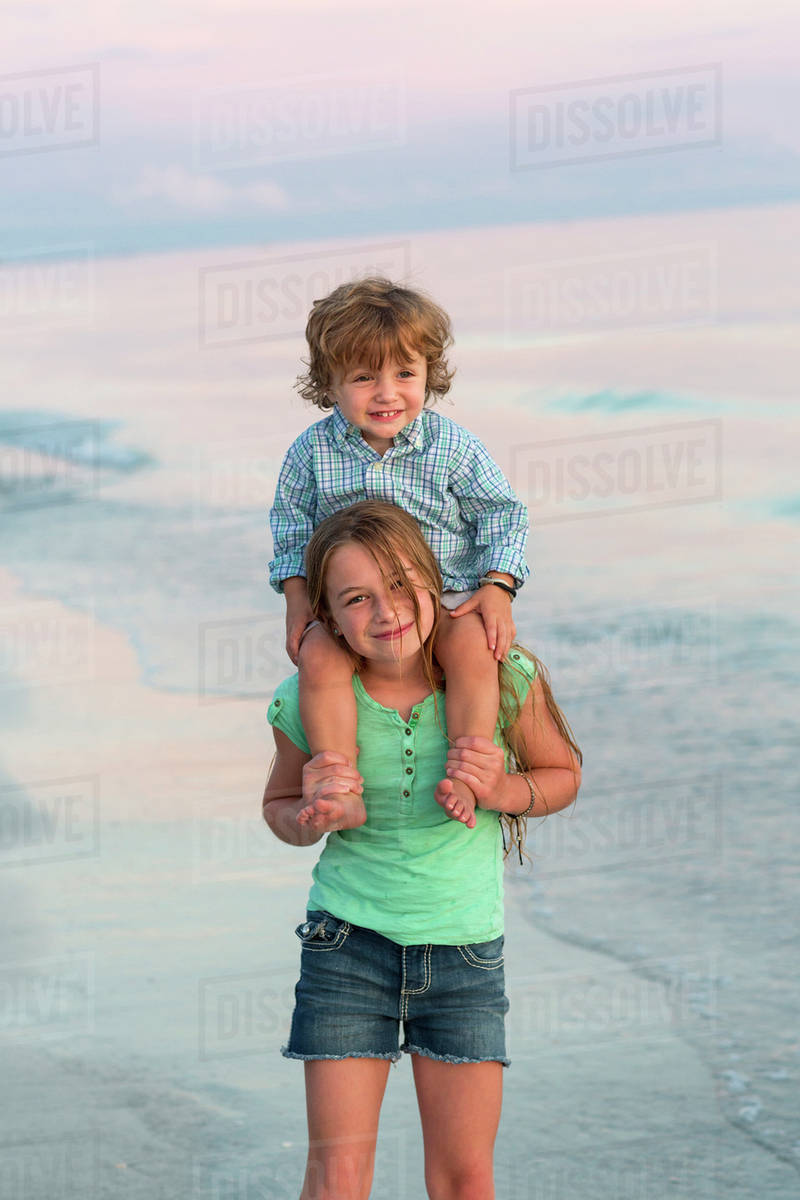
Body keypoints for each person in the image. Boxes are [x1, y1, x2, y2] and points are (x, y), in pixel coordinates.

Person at [262, 501, 581, 1200]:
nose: (387, 612)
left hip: (465, 954)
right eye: (356, 599)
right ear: (326, 616)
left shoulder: (501, 676)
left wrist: (502, 790)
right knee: (337, 1177)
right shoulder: (309, 699)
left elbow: (562, 776)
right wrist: (309, 819)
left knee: (464, 1179)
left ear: (434, 580)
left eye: (402, 586)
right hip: (347, 946)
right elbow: (278, 807)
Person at [268, 277, 529, 831]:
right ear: (329, 382)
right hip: (359, 607)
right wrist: (297, 601)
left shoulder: (451, 446)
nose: (387, 393)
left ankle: (469, 771)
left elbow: (502, 514)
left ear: (429, 373)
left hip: (445, 596)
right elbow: (290, 529)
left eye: (405, 374)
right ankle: (340, 786)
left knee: (473, 647)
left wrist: (498, 587)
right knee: (319, 656)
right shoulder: (312, 452)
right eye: (365, 377)